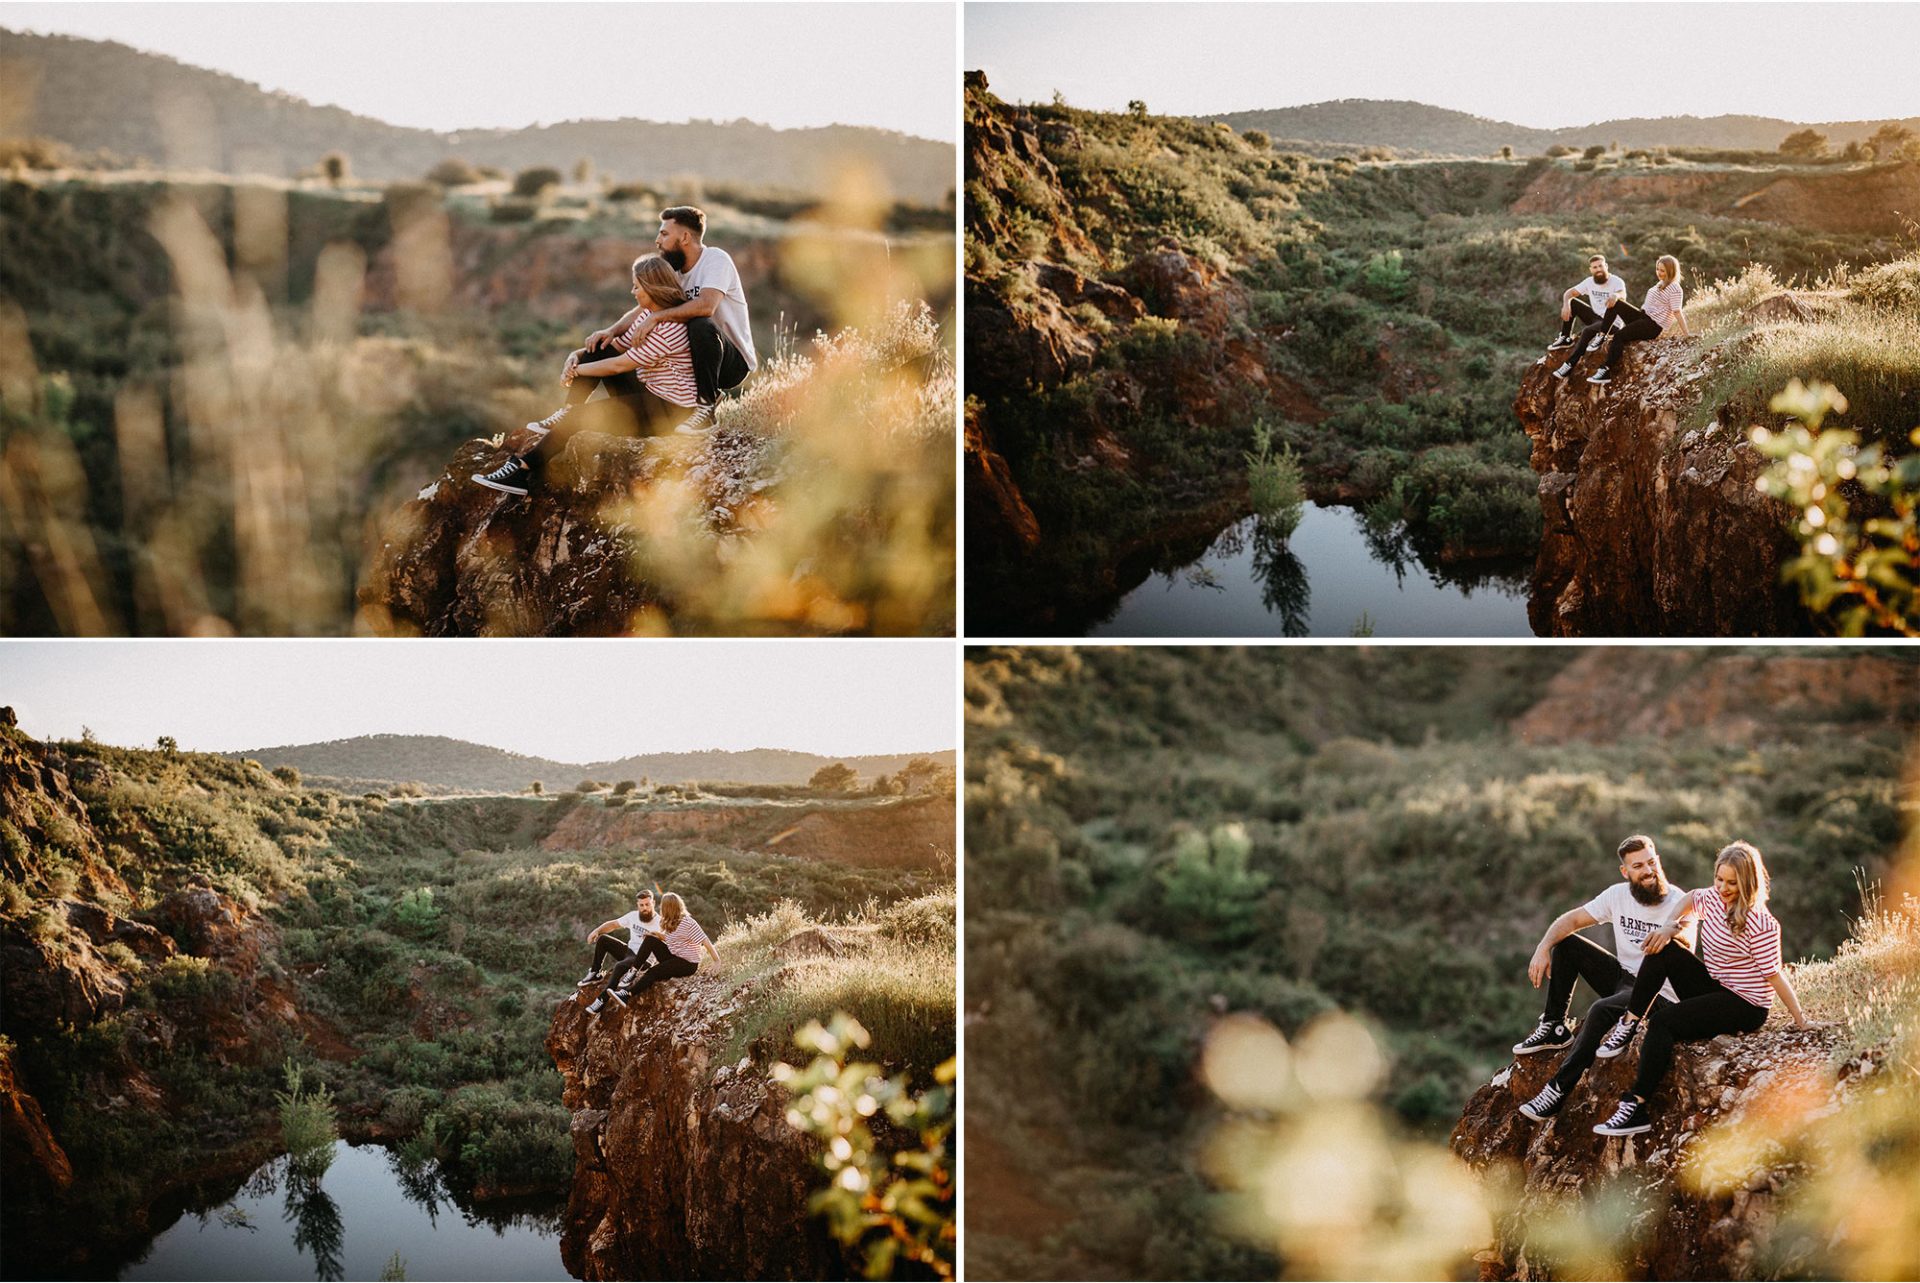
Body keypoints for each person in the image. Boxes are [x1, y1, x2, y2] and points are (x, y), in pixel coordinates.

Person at [1590, 841, 1823, 1137]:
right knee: (1663, 947)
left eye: (1732, 883)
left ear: (1748, 882)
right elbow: (1690, 898)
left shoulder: (1762, 923)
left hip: (1745, 1004)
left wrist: (1801, 1019)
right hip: (1715, 988)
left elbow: (1775, 976)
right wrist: (1668, 925)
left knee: (1662, 1023)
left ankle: (1636, 1106)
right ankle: (1629, 1022)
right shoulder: (1711, 898)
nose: (1723, 888)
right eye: (1719, 879)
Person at [471, 256, 699, 496]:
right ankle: (569, 409)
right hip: (649, 392)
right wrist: (576, 356)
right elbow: (616, 346)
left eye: (636, 287)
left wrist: (576, 370)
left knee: (581, 417)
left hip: (668, 410)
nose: (632, 292)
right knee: (598, 346)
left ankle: (521, 470)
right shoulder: (649, 314)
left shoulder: (671, 329)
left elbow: (619, 365)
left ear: (652, 288)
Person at [1512, 835, 1696, 1122]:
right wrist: (1542, 947)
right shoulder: (1617, 895)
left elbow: (1684, 941)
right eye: (1638, 866)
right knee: (1567, 944)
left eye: (1651, 862)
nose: (1648, 871)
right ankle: (1554, 1025)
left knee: (1599, 1010)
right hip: (1625, 979)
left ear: (1658, 861)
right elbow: (1572, 920)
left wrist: (1670, 932)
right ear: (1625, 871)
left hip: (1658, 996)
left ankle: (1557, 1090)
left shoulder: (1678, 901)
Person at [584, 205, 757, 436]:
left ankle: (706, 408)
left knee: (700, 324)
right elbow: (643, 308)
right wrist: (611, 331)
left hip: (729, 362)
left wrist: (658, 317)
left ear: (684, 237)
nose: (658, 241)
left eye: (664, 234)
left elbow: (706, 306)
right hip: (689, 364)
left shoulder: (716, 259)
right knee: (604, 347)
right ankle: (639, 420)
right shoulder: (673, 270)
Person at [587, 891, 721, 1013]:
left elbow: (705, 940)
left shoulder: (688, 922)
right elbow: (672, 939)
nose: (661, 908)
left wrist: (717, 961)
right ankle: (633, 971)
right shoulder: (669, 922)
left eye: (663, 906)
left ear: (669, 908)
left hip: (687, 963)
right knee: (650, 939)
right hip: (673, 957)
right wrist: (657, 935)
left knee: (653, 972)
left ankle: (627, 995)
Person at [1579, 254, 1689, 385]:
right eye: (1657, 269)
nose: (1659, 273)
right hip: (1643, 316)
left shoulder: (1675, 288)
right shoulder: (1661, 284)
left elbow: (1677, 311)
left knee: (1619, 336)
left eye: (1662, 270)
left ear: (1671, 271)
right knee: (1616, 302)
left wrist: (1686, 334)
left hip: (1651, 326)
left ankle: (1606, 371)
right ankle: (1602, 335)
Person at [1544, 254, 1630, 364]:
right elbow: (1569, 293)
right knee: (1573, 302)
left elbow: (1622, 293)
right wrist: (1566, 304)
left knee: (1587, 330)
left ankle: (1570, 364)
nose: (1598, 269)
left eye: (1600, 266)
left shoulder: (1617, 281)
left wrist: (1616, 296)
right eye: (1595, 267)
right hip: (1597, 319)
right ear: (1591, 270)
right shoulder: (1589, 282)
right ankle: (1565, 337)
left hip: (1612, 324)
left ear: (1606, 266)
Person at [575, 889, 665, 993]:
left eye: (647, 904)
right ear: (637, 905)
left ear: (653, 903)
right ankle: (595, 973)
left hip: (644, 961)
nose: (645, 908)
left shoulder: (660, 922)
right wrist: (597, 931)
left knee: (620, 965)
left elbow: (667, 942)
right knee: (603, 939)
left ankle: (607, 996)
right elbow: (614, 924)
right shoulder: (633, 916)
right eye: (641, 905)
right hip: (629, 952)